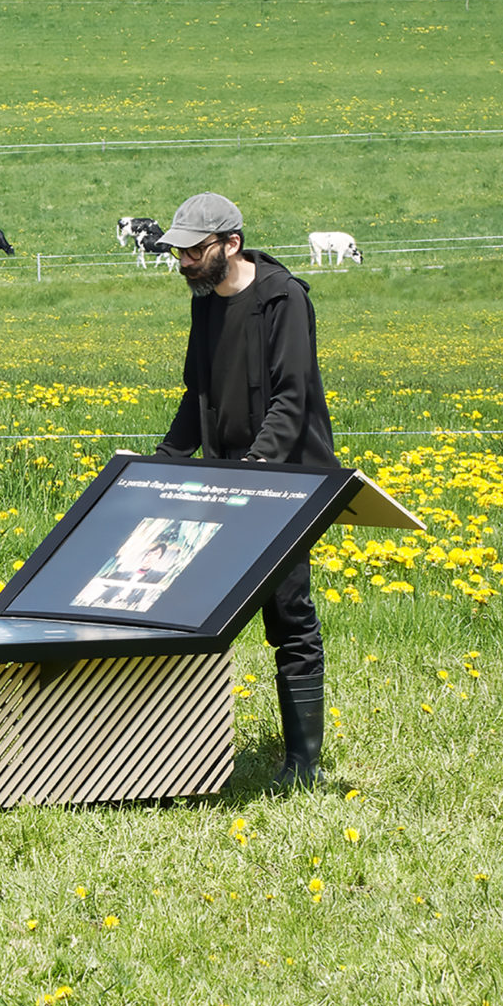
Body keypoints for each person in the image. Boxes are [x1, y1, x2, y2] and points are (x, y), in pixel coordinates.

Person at [151, 192, 333, 792]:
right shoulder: (205, 304)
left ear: (229, 243)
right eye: (178, 252)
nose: (183, 262)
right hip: (224, 479)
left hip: (282, 483)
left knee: (289, 616)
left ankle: (303, 765)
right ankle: (183, 759)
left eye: (193, 251)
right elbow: (194, 394)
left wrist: (257, 469)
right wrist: (162, 466)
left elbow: (291, 398)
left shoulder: (284, 298)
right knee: (191, 610)